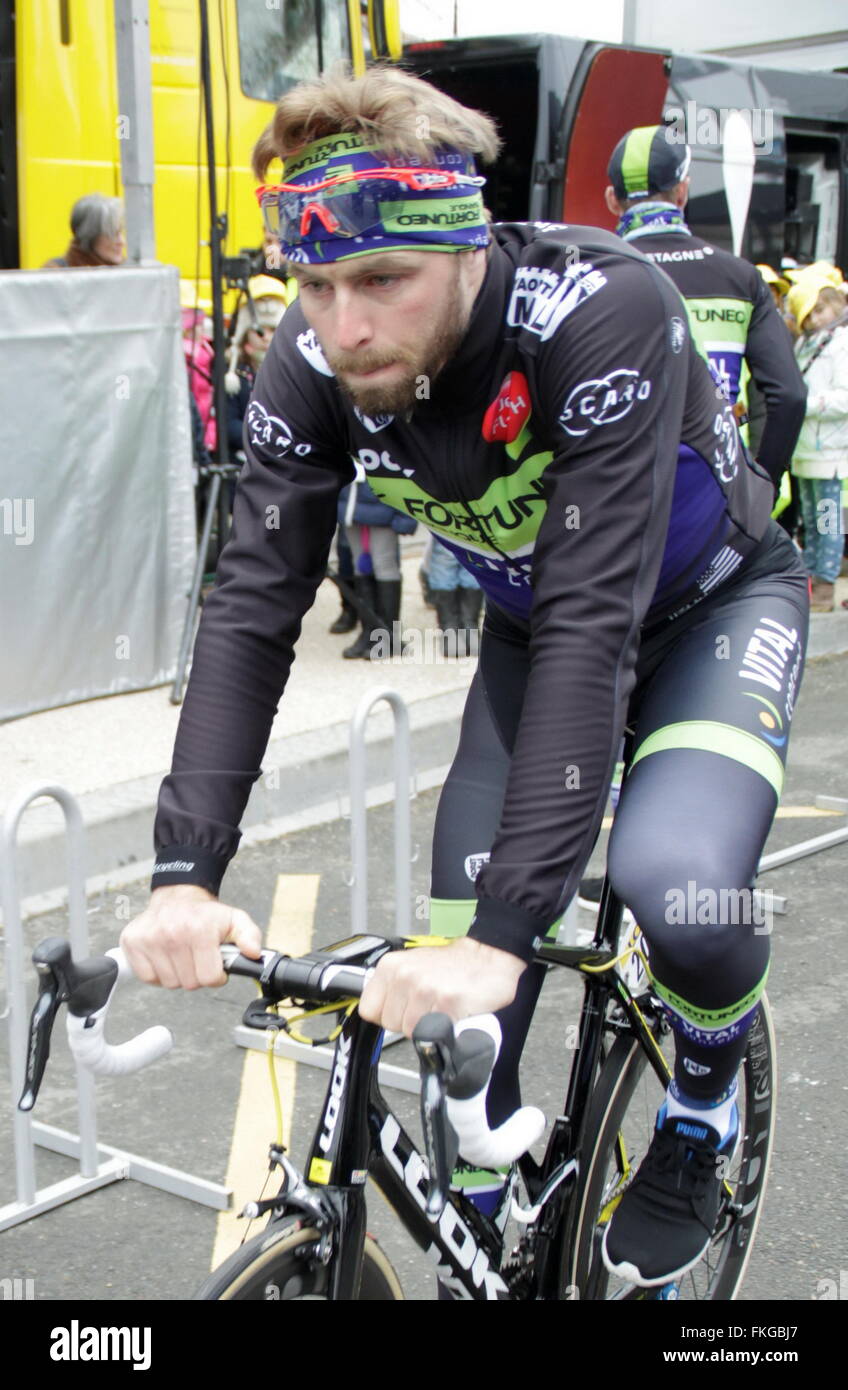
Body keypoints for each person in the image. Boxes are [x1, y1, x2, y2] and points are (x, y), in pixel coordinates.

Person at [121, 67, 809, 1289]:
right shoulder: (311, 357)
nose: (344, 327)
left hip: (703, 607)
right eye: (318, 286)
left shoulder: (598, 307)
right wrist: (185, 870)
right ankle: (488, 1226)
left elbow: (596, 621)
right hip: (534, 628)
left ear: (467, 241)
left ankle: (700, 1099)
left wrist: (506, 936)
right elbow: (248, 612)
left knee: (670, 880)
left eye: (382, 280)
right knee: (453, 1018)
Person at [604, 126, 806, 500]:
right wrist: (763, 488)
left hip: (621, 495)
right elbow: (789, 396)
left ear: (612, 200)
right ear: (683, 192)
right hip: (718, 489)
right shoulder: (741, 276)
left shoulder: (589, 274)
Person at [785, 269, 848, 613]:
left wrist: (806, 405)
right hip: (807, 449)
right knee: (812, 521)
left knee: (826, 520)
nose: (815, 319)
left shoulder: (841, 344)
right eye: (809, 313)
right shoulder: (806, 343)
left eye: (820, 310)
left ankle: (824, 586)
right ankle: (812, 583)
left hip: (830, 452)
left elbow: (844, 397)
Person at [42, 194, 126, 268]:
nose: (122, 242)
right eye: (111, 233)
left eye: (121, 233)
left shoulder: (130, 272)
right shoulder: (55, 273)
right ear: (90, 235)